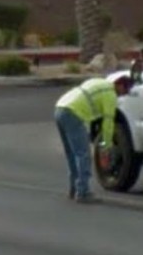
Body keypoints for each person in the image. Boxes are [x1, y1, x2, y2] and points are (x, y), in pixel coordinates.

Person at [54, 75, 132, 203]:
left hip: (60, 108)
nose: (123, 95)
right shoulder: (110, 95)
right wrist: (106, 144)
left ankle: (74, 188)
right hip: (73, 113)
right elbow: (108, 122)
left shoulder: (99, 82)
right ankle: (83, 192)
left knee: (72, 154)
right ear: (120, 86)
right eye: (125, 90)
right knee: (83, 154)